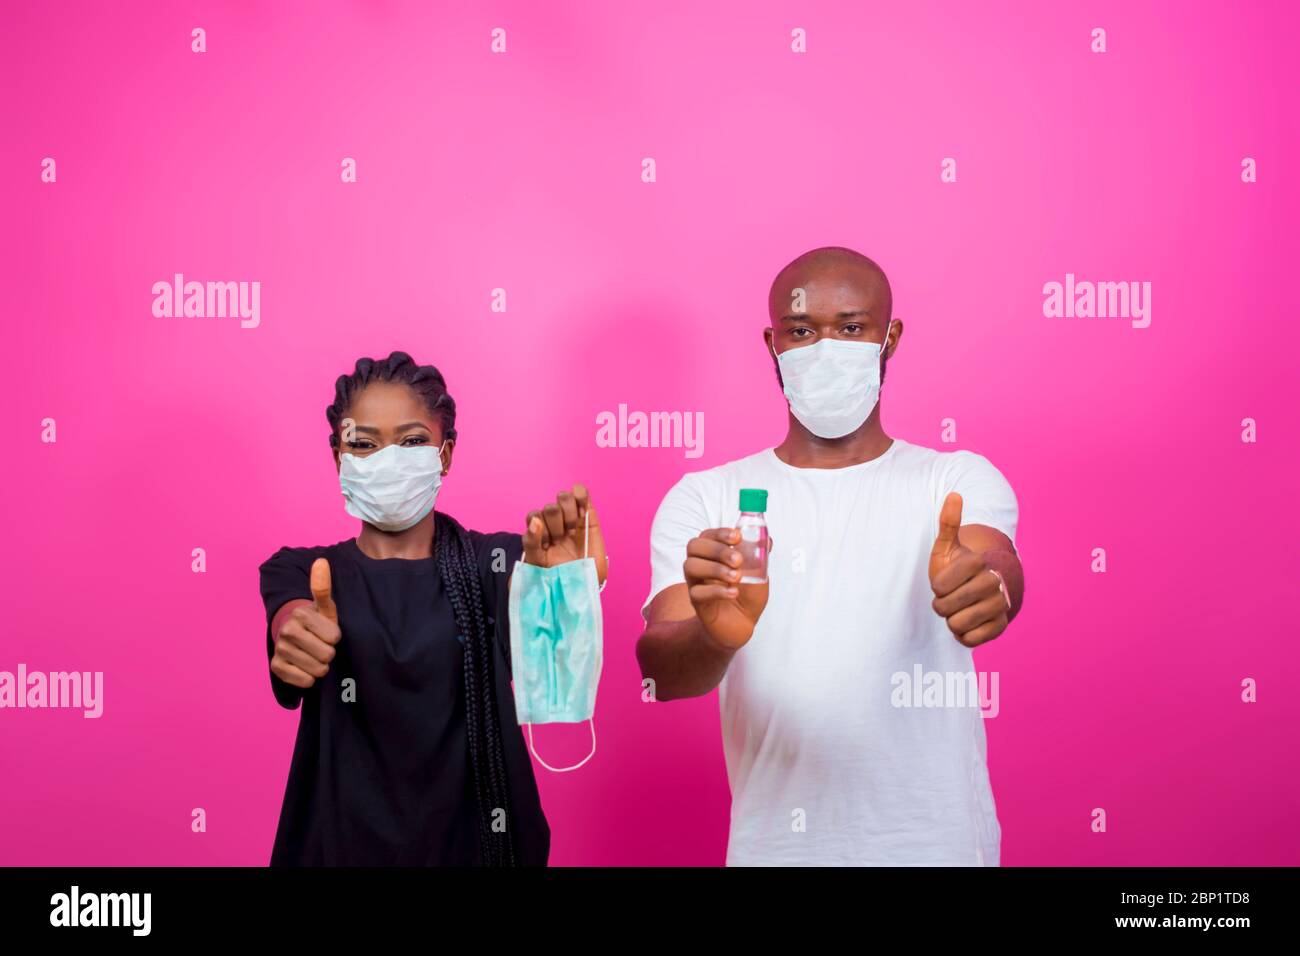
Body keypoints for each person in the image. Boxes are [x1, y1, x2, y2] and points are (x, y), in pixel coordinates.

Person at [636, 247, 1025, 866]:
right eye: (801, 331)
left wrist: (988, 586)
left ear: (889, 337)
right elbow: (661, 674)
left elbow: (993, 561)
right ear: (772, 344)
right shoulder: (706, 497)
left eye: (850, 328)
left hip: (937, 847)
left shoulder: (954, 478)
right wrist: (715, 635)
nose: (825, 349)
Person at [259, 350, 607, 866]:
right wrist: (296, 632)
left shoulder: (500, 563)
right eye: (364, 443)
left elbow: (555, 684)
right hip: (338, 851)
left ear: (444, 455)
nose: (388, 458)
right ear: (339, 456)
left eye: (413, 440)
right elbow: (292, 626)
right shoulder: (303, 573)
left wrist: (568, 591)